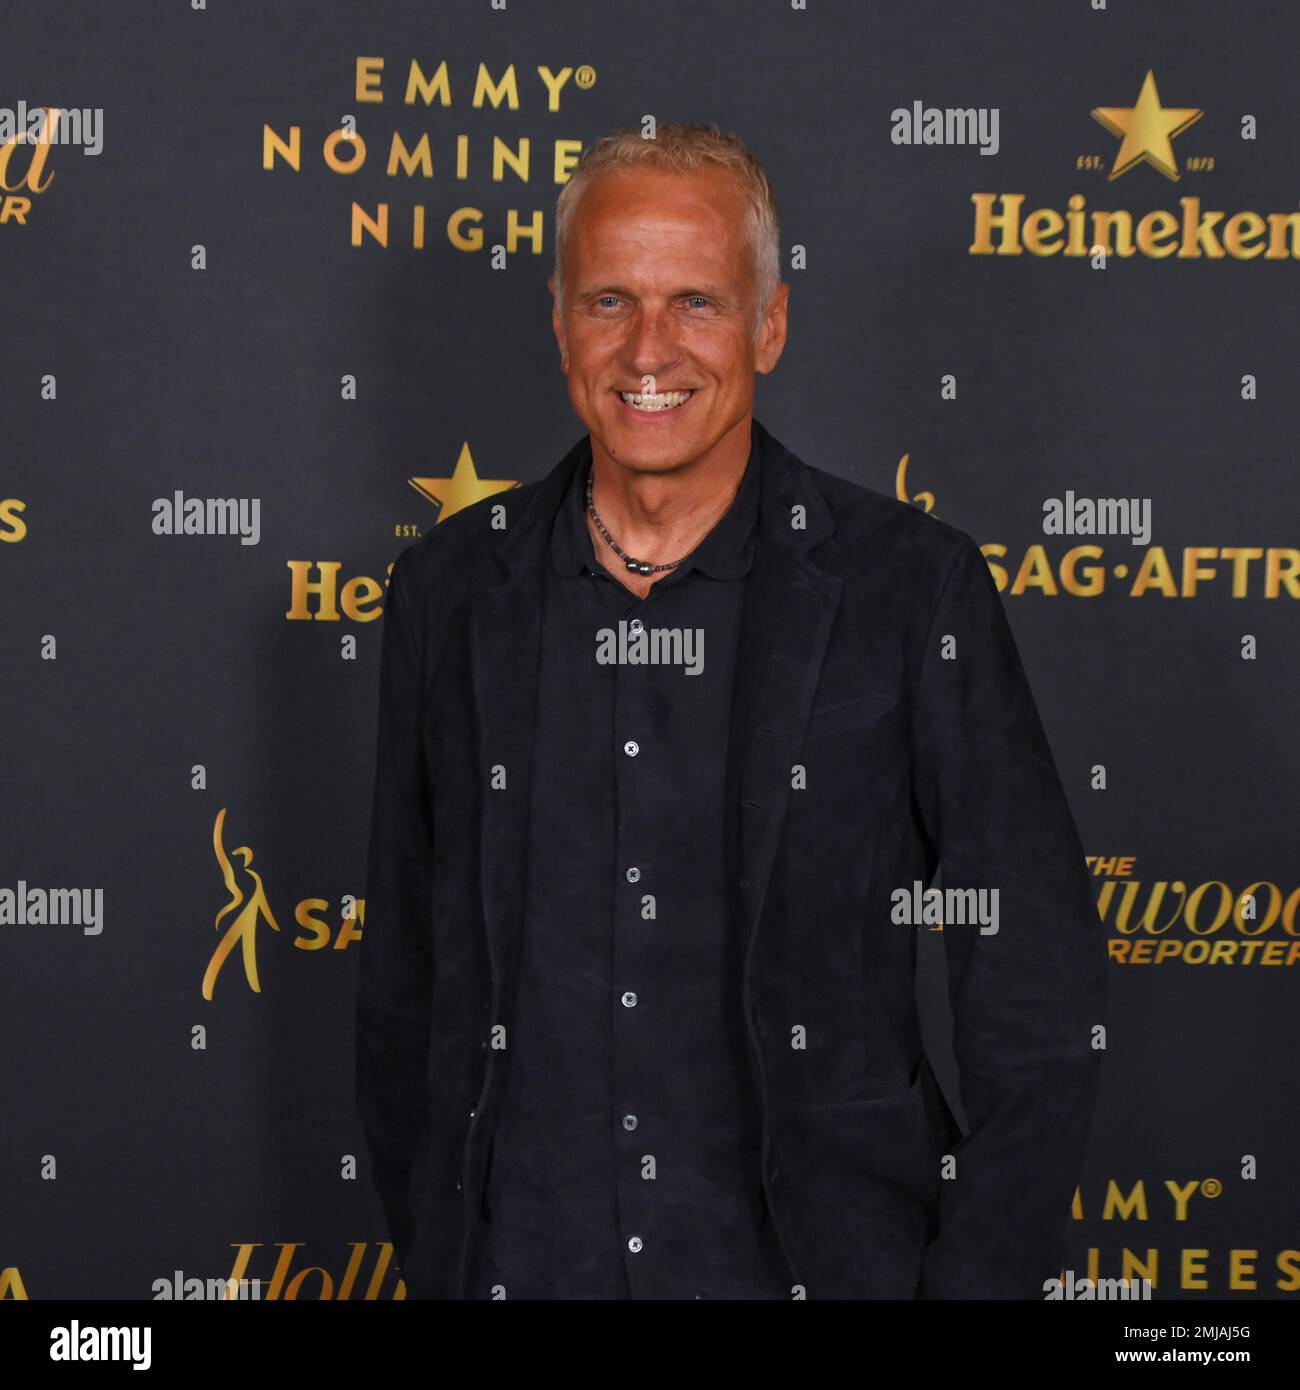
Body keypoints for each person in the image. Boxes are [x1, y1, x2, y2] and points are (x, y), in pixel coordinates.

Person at [356, 123, 1107, 1300]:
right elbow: (403, 980)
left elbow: (1035, 986)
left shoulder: (911, 588)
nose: (647, 349)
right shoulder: (451, 592)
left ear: (768, 323)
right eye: (609, 299)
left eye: (695, 301)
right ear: (558, 318)